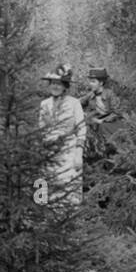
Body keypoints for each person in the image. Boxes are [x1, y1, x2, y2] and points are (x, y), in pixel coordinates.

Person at [39, 64, 87, 206]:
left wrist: (79, 152)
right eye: (53, 83)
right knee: (48, 189)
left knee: (68, 190)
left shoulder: (74, 103)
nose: (56, 86)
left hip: (69, 151)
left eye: (59, 84)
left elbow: (82, 128)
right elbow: (41, 129)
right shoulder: (44, 104)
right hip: (49, 151)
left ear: (65, 86)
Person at [79, 68, 120, 160]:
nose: (90, 84)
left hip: (108, 125)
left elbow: (117, 112)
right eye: (90, 81)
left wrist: (102, 121)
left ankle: (111, 156)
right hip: (94, 124)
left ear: (101, 83)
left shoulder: (110, 94)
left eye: (93, 81)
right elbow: (78, 102)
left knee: (105, 132)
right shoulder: (90, 95)